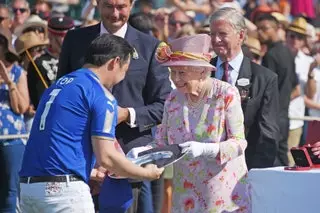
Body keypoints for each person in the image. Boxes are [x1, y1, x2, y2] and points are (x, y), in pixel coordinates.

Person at [19, 34, 164, 213]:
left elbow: (56, 145)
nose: (122, 77)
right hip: (64, 195)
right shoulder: (101, 94)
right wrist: (146, 173)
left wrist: (88, 172)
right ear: (115, 62)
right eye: (124, 71)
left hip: (28, 189)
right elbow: (107, 157)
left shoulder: (57, 86)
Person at [57, 0, 172, 212]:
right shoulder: (75, 40)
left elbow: (164, 105)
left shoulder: (151, 47)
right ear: (98, 4)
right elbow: (62, 95)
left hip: (128, 159)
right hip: (82, 158)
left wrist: (126, 114)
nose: (115, 13)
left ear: (132, 4)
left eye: (122, 6)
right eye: (109, 6)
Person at [149, 33, 251, 212]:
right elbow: (161, 141)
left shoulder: (226, 94)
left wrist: (206, 149)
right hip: (185, 193)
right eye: (172, 72)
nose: (175, 78)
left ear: (203, 72)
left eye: (182, 72)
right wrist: (143, 154)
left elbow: (239, 143)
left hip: (222, 193)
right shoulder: (173, 98)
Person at [210, 7, 279, 169]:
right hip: (205, 167)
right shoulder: (201, 73)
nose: (216, 39)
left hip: (244, 166)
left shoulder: (264, 79)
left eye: (222, 34)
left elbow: (267, 134)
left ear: (241, 35)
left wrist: (258, 174)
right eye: (212, 34)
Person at [256, 13, 298, 166]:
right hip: (283, 116)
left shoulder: (271, 55)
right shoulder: (287, 51)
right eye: (258, 29)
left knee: (273, 161)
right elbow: (296, 88)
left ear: (276, 28)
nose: (260, 32)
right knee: (282, 158)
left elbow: (265, 89)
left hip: (271, 118)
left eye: (265, 28)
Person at [0, 27, 29, 213]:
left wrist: (8, 82)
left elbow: (22, 107)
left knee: (10, 190)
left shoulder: (18, 72)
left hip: (12, 139)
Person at [27, 15, 74, 109]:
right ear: (50, 36)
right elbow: (39, 100)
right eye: (60, 37)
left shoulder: (79, 60)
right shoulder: (39, 63)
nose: (64, 41)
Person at [286, 17, 314, 166]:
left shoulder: (308, 62)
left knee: (291, 160)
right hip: (277, 116)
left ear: (303, 41)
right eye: (292, 35)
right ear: (286, 36)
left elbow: (309, 93)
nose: (295, 40)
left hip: (295, 117)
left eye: (299, 37)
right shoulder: (276, 56)